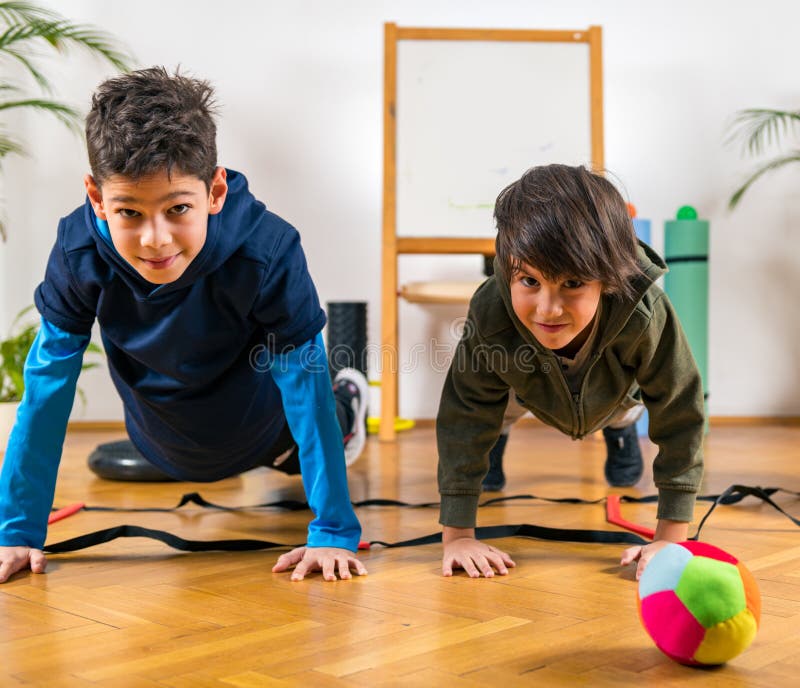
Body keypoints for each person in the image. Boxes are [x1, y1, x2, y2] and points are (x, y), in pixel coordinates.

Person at [0, 67, 369, 584]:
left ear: (215, 192)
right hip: (162, 439)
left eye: (178, 209)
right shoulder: (78, 252)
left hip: (267, 431)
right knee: (181, 448)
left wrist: (332, 529)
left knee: (318, 402)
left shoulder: (269, 250)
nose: (155, 239)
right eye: (129, 212)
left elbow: (301, 386)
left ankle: (348, 404)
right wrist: (15, 531)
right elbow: (46, 392)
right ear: (96, 197)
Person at [436, 164, 704, 580]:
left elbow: (679, 411)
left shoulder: (644, 312)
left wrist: (671, 535)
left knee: (627, 410)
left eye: (573, 283)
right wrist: (457, 535)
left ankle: (619, 436)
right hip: (525, 391)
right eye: (529, 281)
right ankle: (498, 446)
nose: (548, 308)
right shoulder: (490, 313)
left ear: (608, 276)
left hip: (615, 396)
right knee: (492, 412)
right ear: (506, 266)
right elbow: (465, 417)